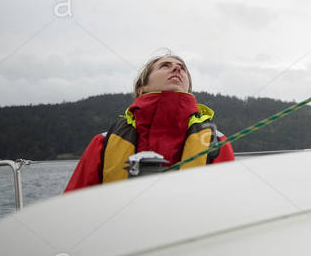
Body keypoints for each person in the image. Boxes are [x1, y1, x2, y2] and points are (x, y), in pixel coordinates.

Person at [63, 52, 235, 192]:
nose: (177, 68)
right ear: (141, 88)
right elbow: (74, 206)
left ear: (188, 88)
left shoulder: (216, 142)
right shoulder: (102, 143)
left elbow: (229, 201)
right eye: (165, 65)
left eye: (182, 68)